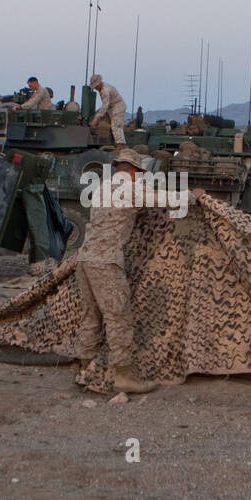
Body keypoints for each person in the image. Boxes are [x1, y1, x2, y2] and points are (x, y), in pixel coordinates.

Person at [75, 148, 153, 394]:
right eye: (138, 173)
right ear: (133, 171)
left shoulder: (100, 188)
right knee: (118, 316)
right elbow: (163, 199)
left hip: (84, 259)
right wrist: (192, 196)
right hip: (106, 262)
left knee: (91, 316)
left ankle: (85, 369)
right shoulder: (130, 189)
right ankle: (123, 377)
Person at [88, 74, 127, 145]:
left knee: (116, 125)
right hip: (112, 107)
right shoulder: (103, 88)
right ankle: (114, 143)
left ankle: (121, 145)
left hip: (117, 107)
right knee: (111, 126)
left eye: (96, 86)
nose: (95, 88)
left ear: (99, 84)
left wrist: (96, 118)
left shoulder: (104, 91)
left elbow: (105, 105)